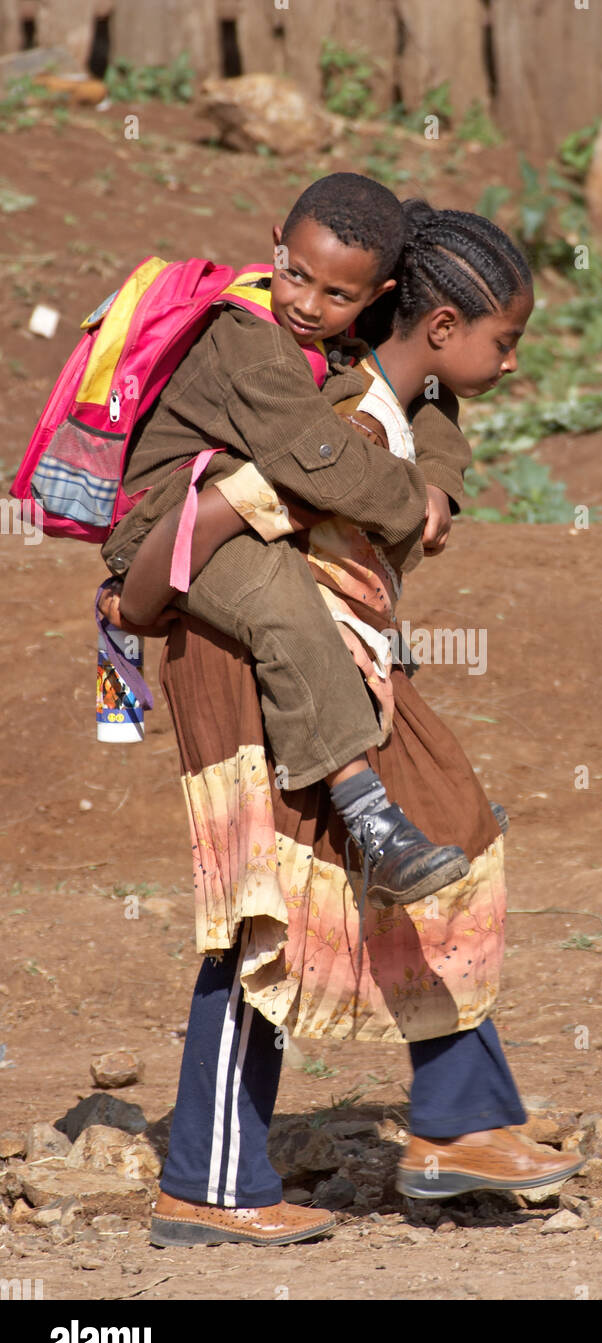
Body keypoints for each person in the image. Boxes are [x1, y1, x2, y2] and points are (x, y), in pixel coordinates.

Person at [107, 202, 584, 1248]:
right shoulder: (338, 406)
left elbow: (430, 461)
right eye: (504, 342)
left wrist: (427, 492)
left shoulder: (392, 396)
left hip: (337, 659)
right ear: (446, 326)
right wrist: (142, 594)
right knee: (271, 895)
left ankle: (459, 1124)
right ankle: (209, 1179)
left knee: (437, 828)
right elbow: (235, 513)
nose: (511, 364)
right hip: (243, 656)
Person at [101, 172, 475, 909]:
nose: (306, 304)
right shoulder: (254, 344)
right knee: (285, 606)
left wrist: (440, 478)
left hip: (256, 505)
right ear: (276, 241)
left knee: (351, 616)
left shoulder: (347, 333)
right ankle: (369, 819)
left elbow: (422, 392)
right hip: (176, 521)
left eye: (336, 295)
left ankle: (434, 806)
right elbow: (320, 463)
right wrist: (411, 499)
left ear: (377, 295)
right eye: (295, 275)